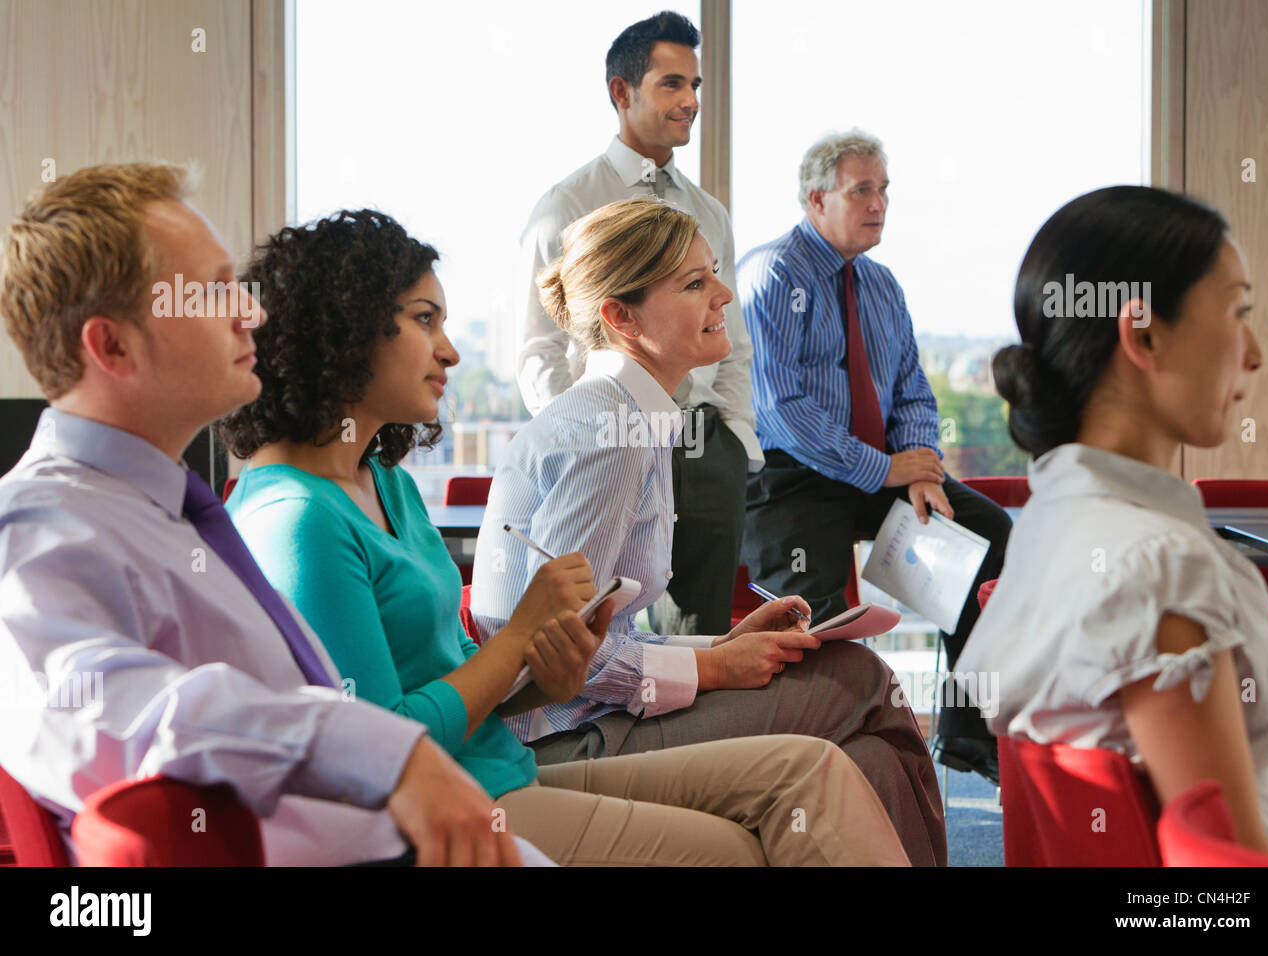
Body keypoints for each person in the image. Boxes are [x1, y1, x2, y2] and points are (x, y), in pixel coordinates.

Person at [218, 207, 911, 866]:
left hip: (502, 764)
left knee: (815, 769)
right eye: (424, 320)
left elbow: (476, 668)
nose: (451, 351)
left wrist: (547, 667)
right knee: (782, 802)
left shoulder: (385, 483)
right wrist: (528, 643)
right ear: (344, 331)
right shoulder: (299, 519)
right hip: (470, 796)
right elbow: (376, 749)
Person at [0, 162, 545, 866]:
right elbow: (113, 710)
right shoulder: (39, 526)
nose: (251, 313)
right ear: (112, 346)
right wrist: (386, 754)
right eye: (214, 291)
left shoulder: (169, 510)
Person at [474, 197, 946, 866]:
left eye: (713, 273)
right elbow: (570, 662)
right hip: (566, 736)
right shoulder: (608, 435)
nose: (724, 293)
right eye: (695, 283)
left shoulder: (629, 416)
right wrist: (713, 666)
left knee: (866, 740)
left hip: (589, 717)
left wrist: (720, 644)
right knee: (861, 684)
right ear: (620, 316)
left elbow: (610, 632)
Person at [958, 184, 1268, 859]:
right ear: (1143, 332)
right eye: (1238, 311)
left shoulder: (1051, 525)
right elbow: (1226, 875)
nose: (1255, 352)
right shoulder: (1160, 567)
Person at [737, 130, 1012, 785]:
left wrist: (918, 468)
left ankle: (967, 732)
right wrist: (885, 469)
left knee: (988, 532)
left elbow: (914, 390)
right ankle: (814, 765)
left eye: (884, 189)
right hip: (791, 475)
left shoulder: (883, 286)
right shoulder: (771, 275)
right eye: (862, 189)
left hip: (876, 468)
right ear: (816, 198)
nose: (879, 202)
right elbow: (784, 409)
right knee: (820, 626)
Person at [517, 11, 758, 636]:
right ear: (621, 93)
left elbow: (729, 337)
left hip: (700, 440)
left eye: (697, 86)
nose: (691, 102)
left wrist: (734, 435)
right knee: (599, 625)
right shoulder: (566, 207)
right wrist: (582, 437)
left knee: (701, 635)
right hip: (608, 433)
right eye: (672, 84)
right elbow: (538, 350)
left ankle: (706, 737)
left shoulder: (708, 212)